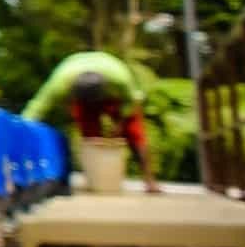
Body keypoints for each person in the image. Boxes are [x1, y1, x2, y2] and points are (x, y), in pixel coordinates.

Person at [23, 51, 159, 193]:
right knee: (90, 136)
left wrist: (120, 123)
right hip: (81, 92)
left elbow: (132, 100)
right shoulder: (60, 83)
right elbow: (37, 107)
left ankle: (150, 180)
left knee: (135, 133)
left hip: (115, 96)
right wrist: (21, 127)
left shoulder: (119, 78)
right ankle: (97, 177)